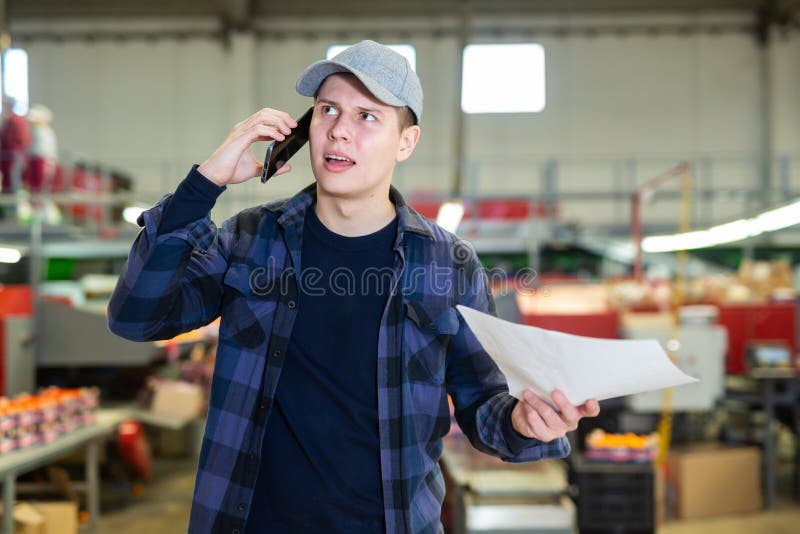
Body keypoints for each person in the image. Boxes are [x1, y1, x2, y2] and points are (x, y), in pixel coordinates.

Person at [108, 40, 600, 534]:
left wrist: (523, 425)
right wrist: (204, 184)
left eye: (368, 116)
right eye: (327, 110)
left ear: (406, 142)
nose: (340, 131)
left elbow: (483, 403)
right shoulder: (250, 238)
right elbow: (137, 317)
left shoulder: (447, 264)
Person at [0, 96, 31, 194]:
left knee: (13, 181)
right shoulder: (6, 121)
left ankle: (13, 205)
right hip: (6, 156)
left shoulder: (17, 120)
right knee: (6, 181)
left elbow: (23, 140)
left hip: (14, 156)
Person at [27, 104, 59, 192]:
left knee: (41, 186)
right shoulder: (36, 131)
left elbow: (45, 151)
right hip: (36, 161)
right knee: (35, 186)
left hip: (42, 161)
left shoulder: (46, 132)